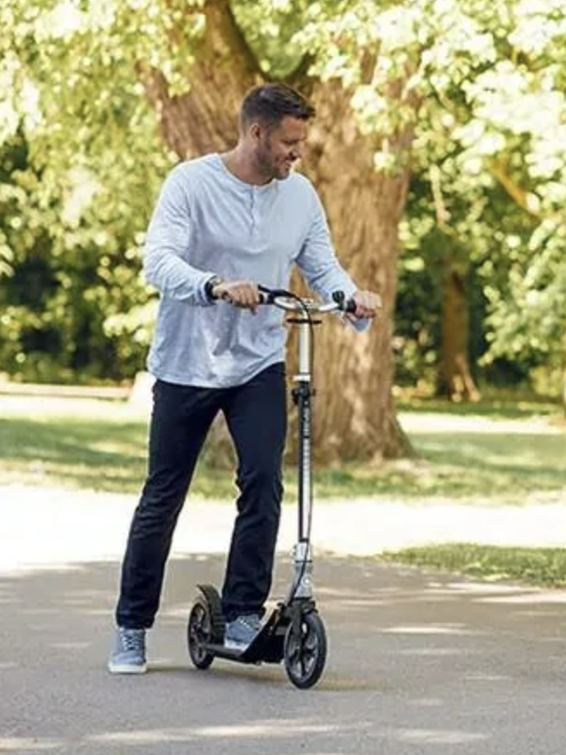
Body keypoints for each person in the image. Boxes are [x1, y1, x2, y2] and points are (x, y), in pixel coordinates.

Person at [108, 83, 383, 674]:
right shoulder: (191, 183)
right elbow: (158, 258)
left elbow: (321, 264)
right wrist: (212, 284)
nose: (297, 153)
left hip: (258, 359)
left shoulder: (300, 196)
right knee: (164, 495)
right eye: (289, 142)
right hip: (187, 362)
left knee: (264, 481)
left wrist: (349, 296)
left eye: (302, 142)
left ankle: (240, 611)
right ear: (256, 133)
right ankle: (131, 626)